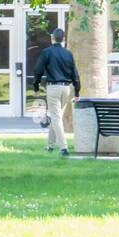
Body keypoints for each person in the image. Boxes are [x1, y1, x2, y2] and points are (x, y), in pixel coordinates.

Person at [33, 27, 80, 156]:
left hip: (53, 87)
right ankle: (50, 146)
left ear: (52, 38)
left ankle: (64, 147)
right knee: (56, 116)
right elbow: (75, 74)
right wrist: (77, 92)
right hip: (66, 88)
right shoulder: (68, 54)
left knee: (56, 117)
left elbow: (38, 70)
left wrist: (36, 87)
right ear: (63, 39)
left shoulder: (47, 52)